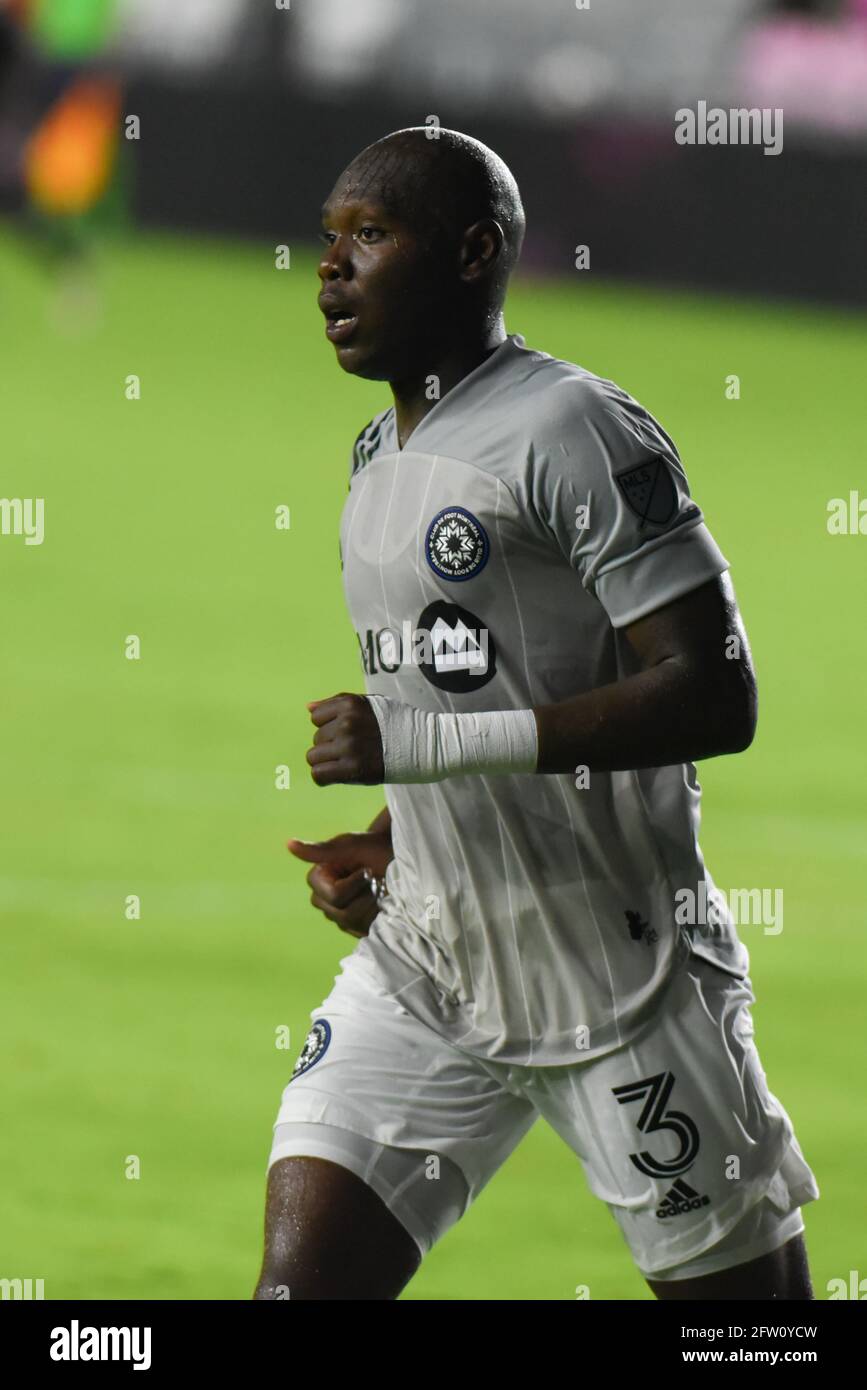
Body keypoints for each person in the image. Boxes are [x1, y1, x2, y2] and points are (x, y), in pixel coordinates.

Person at [253, 126, 818, 1301]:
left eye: (369, 235)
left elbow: (717, 690)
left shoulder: (574, 430)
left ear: (472, 253)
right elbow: (480, 676)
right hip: (426, 965)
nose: (330, 268)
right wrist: (403, 837)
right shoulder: (377, 451)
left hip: (619, 983)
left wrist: (421, 748)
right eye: (326, 240)